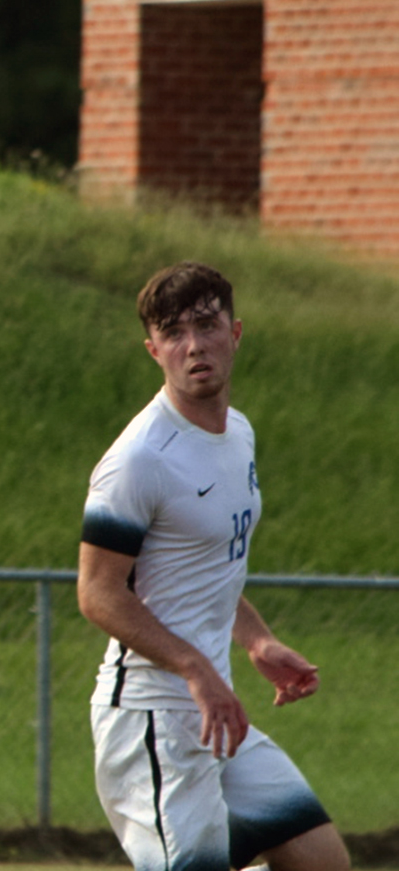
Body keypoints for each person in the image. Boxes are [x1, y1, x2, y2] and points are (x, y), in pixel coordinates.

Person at [77, 262, 349, 871]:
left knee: (320, 860)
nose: (193, 345)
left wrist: (256, 640)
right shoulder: (140, 459)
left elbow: (206, 564)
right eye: (174, 332)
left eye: (206, 324)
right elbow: (98, 594)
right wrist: (196, 668)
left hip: (213, 710)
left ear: (236, 332)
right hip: (153, 721)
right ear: (153, 351)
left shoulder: (238, 435)